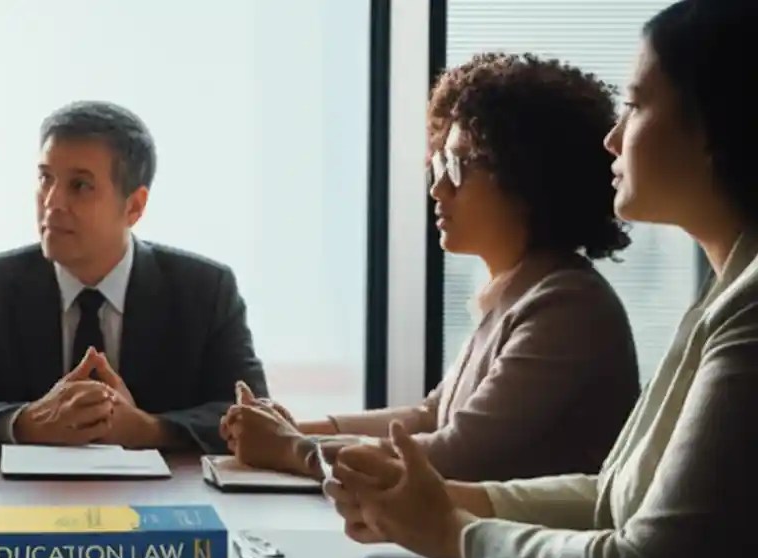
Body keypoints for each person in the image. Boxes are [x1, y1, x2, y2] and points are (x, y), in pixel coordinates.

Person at [328, 1, 758, 558]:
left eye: (638, 104)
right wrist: (441, 507)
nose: (613, 138)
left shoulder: (731, 306)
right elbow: (608, 497)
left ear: (716, 125)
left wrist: (451, 531)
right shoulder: (725, 291)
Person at [223, 52, 640, 484]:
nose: (438, 188)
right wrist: (297, 430)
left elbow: (454, 453)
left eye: (458, 166)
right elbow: (429, 416)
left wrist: (291, 449)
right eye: (440, 165)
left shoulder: (567, 309)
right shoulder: (522, 292)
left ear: (528, 176)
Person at [0, 100, 267, 456]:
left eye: (80, 186)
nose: (52, 202)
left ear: (134, 206)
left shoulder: (205, 291)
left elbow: (255, 417)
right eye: (45, 178)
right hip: (24, 503)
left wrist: (149, 430)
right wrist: (27, 422)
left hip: (160, 502)